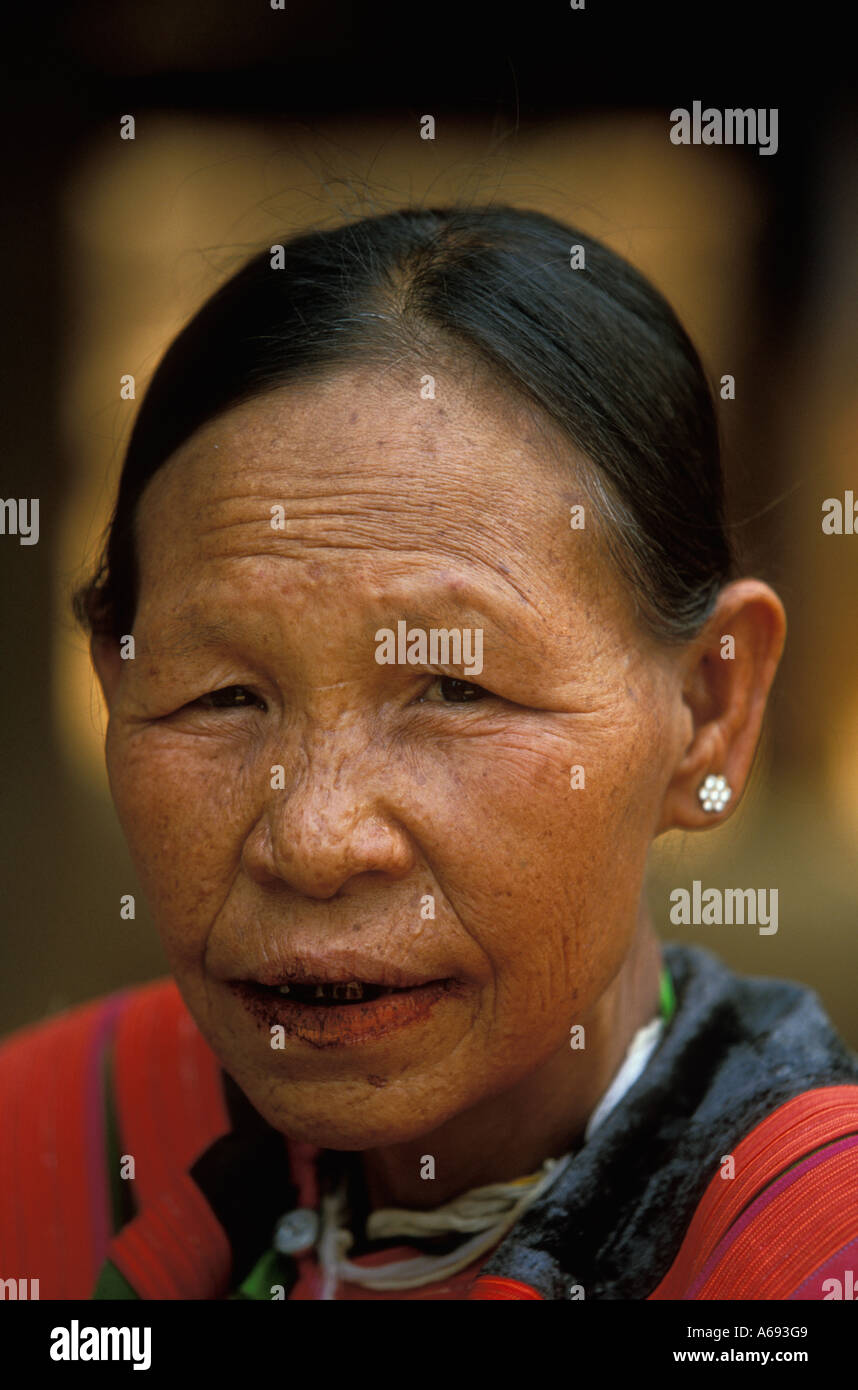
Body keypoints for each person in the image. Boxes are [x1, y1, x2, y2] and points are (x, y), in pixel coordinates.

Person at [2, 204, 856, 1301]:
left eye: (454, 688)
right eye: (222, 695)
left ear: (711, 707)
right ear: (116, 686)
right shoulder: (52, 1150)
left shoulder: (799, 1258)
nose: (312, 840)